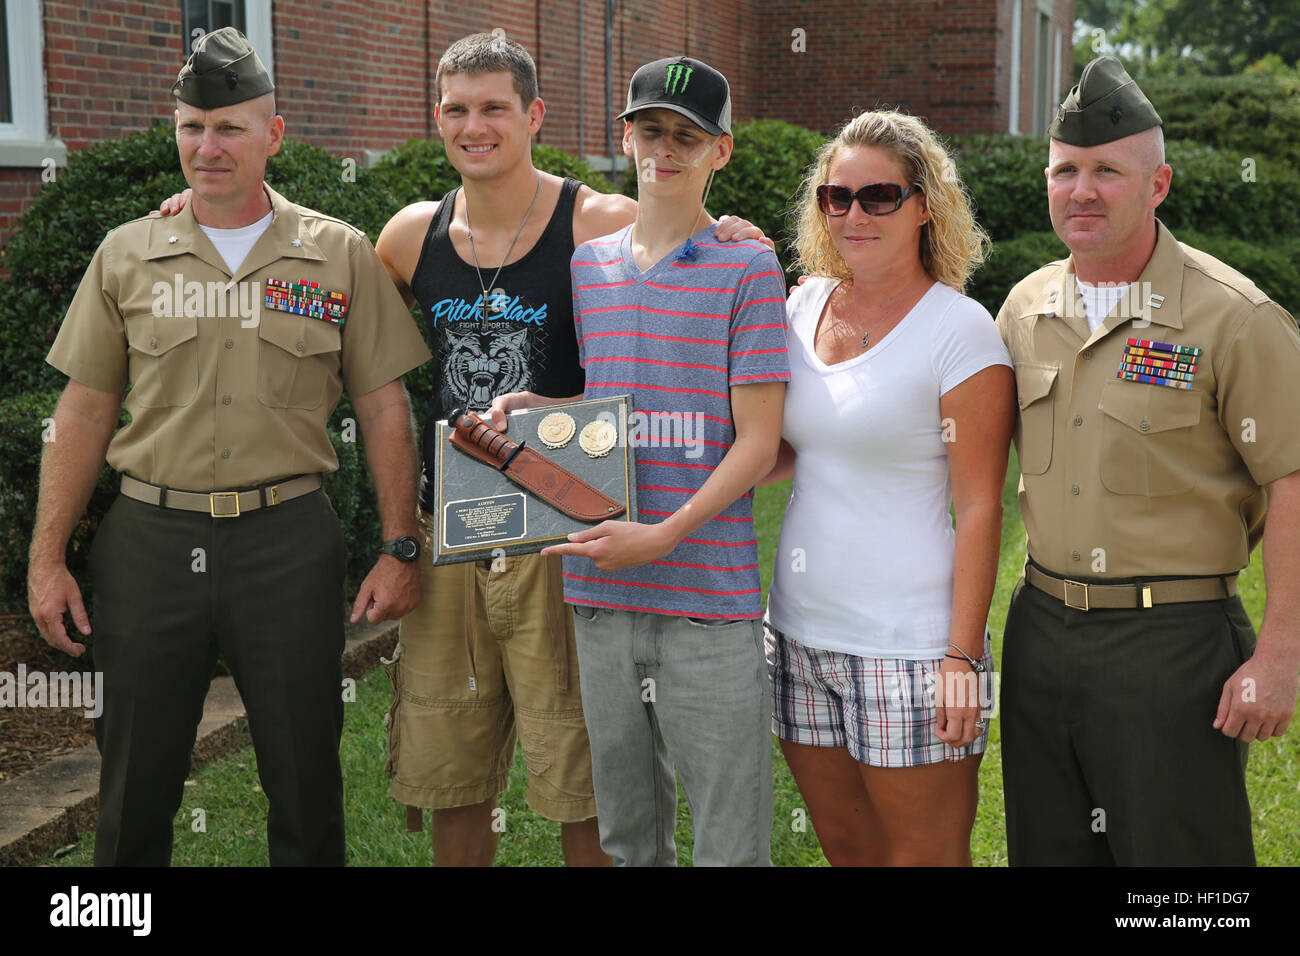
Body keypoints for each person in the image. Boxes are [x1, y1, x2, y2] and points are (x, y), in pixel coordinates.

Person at [26, 28, 431, 866]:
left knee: (306, 781)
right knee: (132, 788)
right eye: (190, 128)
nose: (206, 147)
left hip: (286, 542)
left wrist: (401, 544)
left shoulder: (337, 253)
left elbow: (384, 405)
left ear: (272, 135)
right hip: (149, 543)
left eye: (229, 128)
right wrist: (46, 557)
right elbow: (86, 407)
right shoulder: (127, 254)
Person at [370, 36, 770, 866]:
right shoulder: (411, 236)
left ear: (534, 116)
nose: (473, 125)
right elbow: (351, 330)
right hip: (458, 533)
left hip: (566, 529)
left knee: (583, 778)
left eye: (494, 108)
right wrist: (201, 209)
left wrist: (739, 233)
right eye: (456, 109)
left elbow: (684, 238)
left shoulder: (597, 224)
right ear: (435, 117)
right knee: (456, 770)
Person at [996, 55, 1300, 865]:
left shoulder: (1235, 318)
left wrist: (1279, 655)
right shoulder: (1025, 308)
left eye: (1107, 171)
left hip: (1174, 642)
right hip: (1041, 630)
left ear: (1158, 185)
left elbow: (1292, 481)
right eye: (1065, 170)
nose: (1082, 190)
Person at [491, 55, 789, 867]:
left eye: (687, 137)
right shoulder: (590, 268)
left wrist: (664, 533)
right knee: (628, 842)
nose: (666, 149)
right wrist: (540, 412)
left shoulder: (748, 267)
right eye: (650, 130)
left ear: (719, 152)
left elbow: (757, 442)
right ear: (625, 137)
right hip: (600, 590)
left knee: (730, 848)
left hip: (707, 602)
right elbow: (617, 413)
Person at [759, 111, 1015, 866]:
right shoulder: (801, 306)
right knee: (846, 848)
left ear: (925, 204)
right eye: (836, 198)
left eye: (879, 196)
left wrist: (962, 659)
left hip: (910, 647)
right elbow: (779, 450)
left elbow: (979, 507)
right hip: (797, 636)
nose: (854, 215)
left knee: (923, 857)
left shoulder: (959, 331)